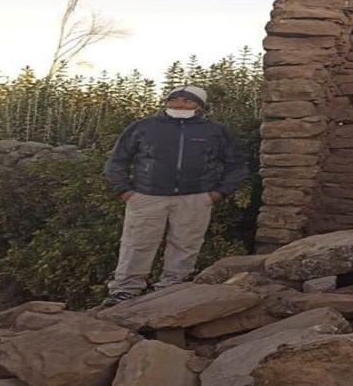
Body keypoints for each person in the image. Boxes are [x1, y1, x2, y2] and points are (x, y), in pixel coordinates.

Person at [100, 85, 248, 307]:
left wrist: (218, 193)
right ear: (166, 101)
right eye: (175, 99)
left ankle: (172, 288)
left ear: (199, 105)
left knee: (186, 244)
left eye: (187, 101)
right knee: (137, 243)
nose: (180, 104)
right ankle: (125, 290)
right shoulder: (144, 127)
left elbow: (236, 164)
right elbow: (118, 160)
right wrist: (125, 190)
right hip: (147, 196)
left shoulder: (214, 131)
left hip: (196, 197)